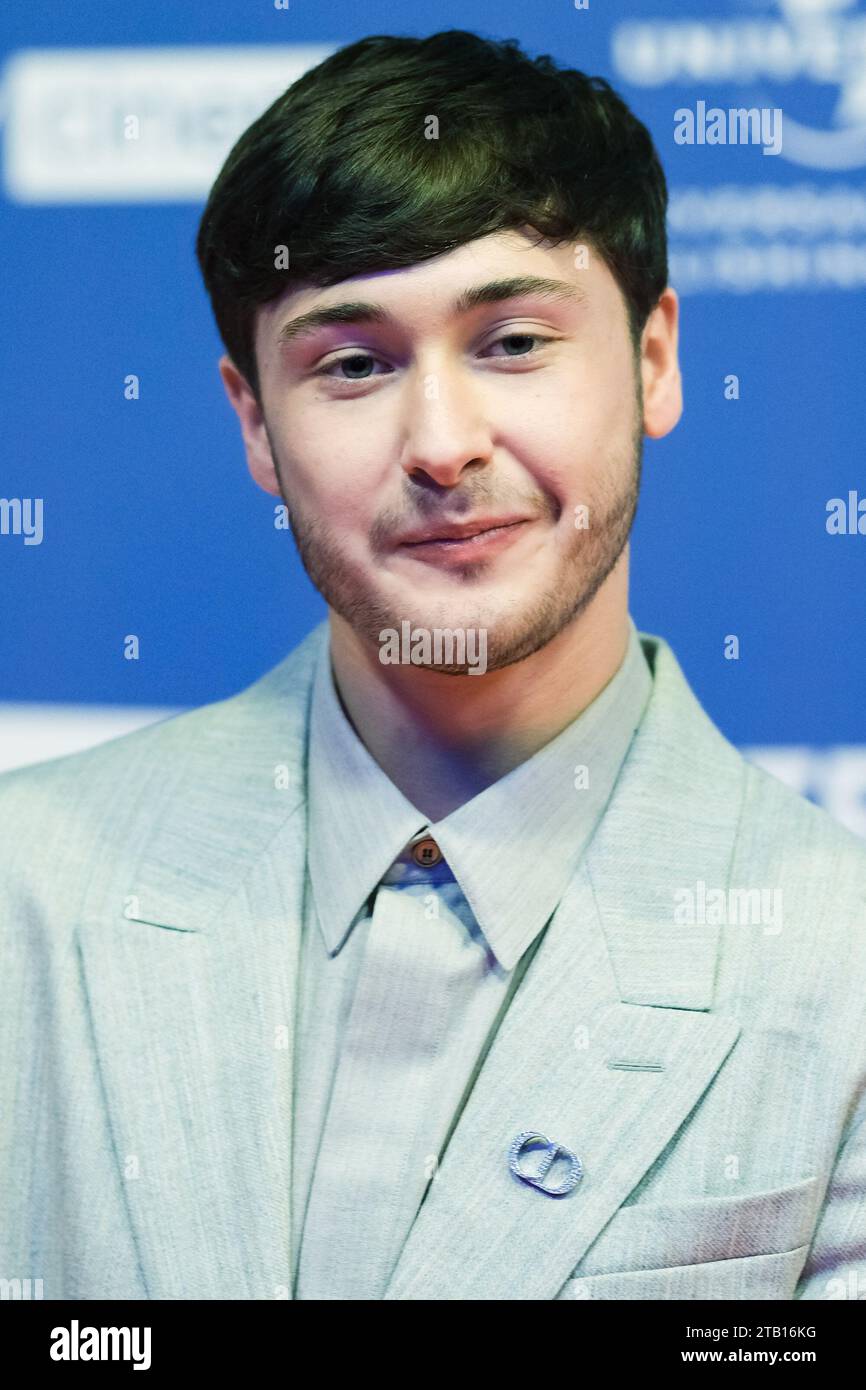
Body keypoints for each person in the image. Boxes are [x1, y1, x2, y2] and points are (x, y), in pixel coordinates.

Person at [1, 29, 864, 1302]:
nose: (443, 444)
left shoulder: (837, 961)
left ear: (652, 360)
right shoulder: (26, 889)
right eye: (352, 363)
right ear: (253, 421)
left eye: (513, 341)